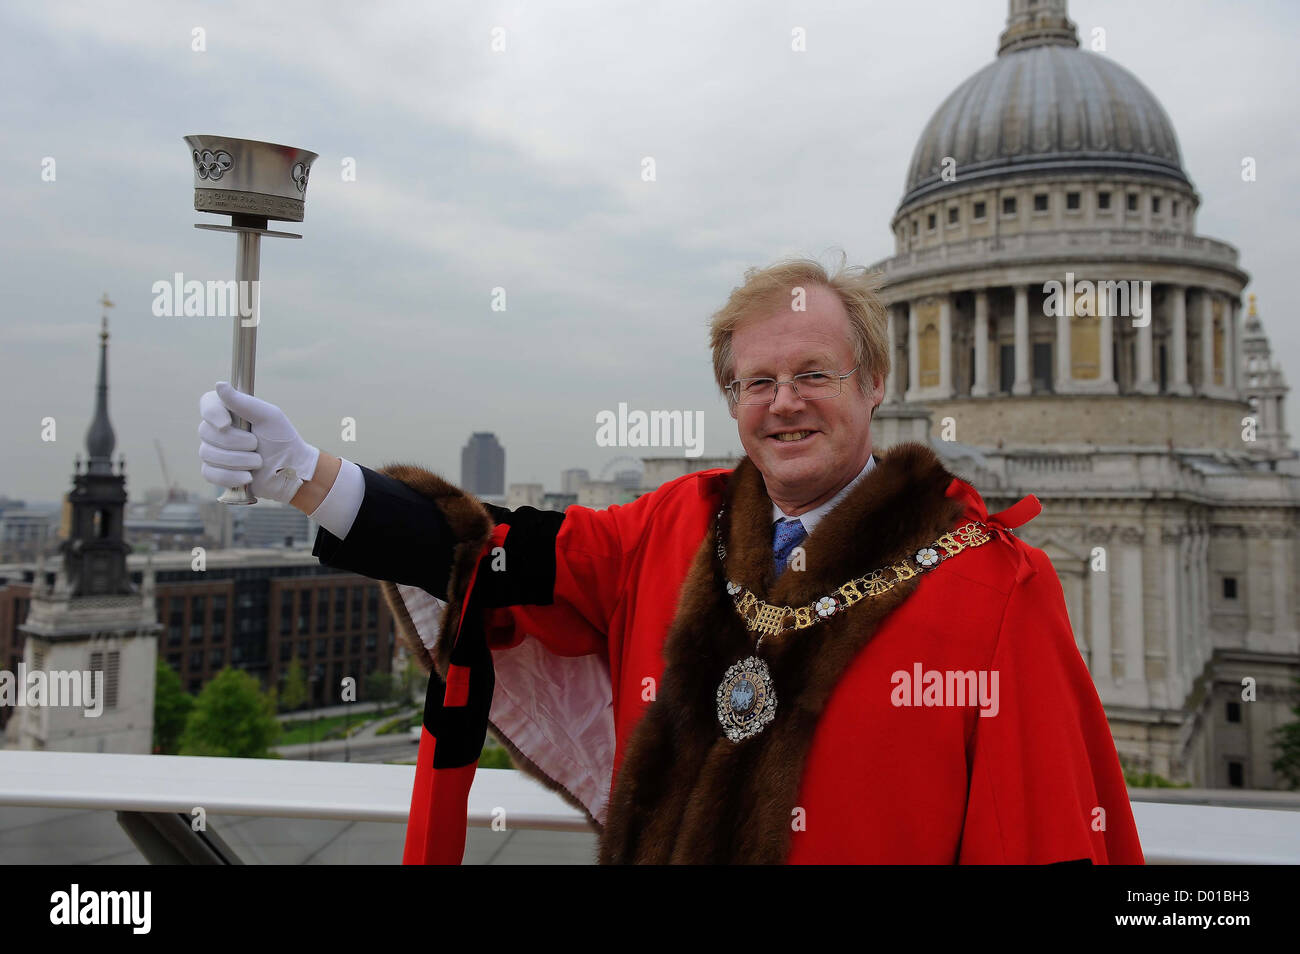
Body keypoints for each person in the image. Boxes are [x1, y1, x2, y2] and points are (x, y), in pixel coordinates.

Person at [198, 256, 1144, 865]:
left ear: (875, 384)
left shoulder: (992, 583)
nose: (785, 404)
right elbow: (493, 554)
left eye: (813, 373)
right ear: (732, 400)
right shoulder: (676, 526)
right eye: (755, 382)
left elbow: (1041, 829)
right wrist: (305, 475)